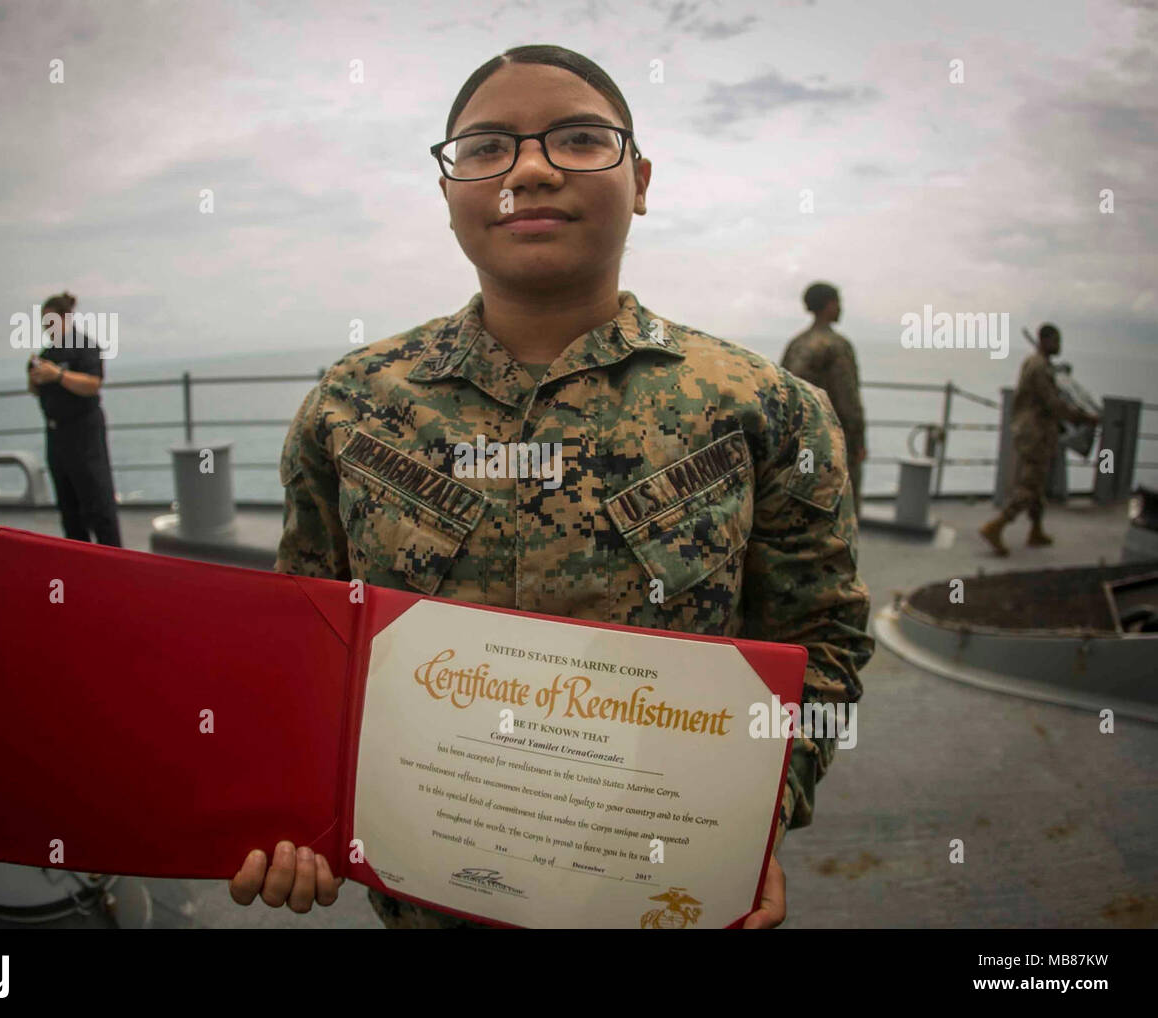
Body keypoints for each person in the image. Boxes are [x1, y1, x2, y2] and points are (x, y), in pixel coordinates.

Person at [232, 44, 873, 928]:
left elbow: (821, 644)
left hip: (657, 898)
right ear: (450, 190)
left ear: (640, 180)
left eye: (577, 139)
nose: (529, 169)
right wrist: (298, 810)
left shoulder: (767, 413)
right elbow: (306, 642)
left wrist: (757, 816)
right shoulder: (352, 409)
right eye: (488, 148)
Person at [979, 323, 1098, 555]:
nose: (1059, 345)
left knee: (1037, 484)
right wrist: (1083, 417)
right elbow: (1053, 404)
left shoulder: (1036, 364)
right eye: (1056, 340)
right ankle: (996, 526)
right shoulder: (1040, 368)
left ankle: (1036, 530)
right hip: (1036, 433)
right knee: (1030, 485)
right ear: (1044, 340)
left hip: (1034, 432)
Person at [28, 292, 122, 547]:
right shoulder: (47, 354)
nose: (46, 327)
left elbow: (93, 384)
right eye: (43, 322)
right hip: (57, 436)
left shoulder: (85, 347)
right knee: (69, 507)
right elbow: (39, 391)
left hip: (84, 434)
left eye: (50, 321)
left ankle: (114, 563)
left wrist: (58, 375)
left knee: (98, 501)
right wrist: (35, 378)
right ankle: (80, 561)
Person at [781, 283, 866, 516]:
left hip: (801, 442)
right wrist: (858, 441)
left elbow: (782, 391)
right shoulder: (837, 346)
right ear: (829, 305)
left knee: (804, 500)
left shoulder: (796, 343)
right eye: (838, 302)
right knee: (841, 506)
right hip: (833, 442)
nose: (841, 308)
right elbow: (848, 400)